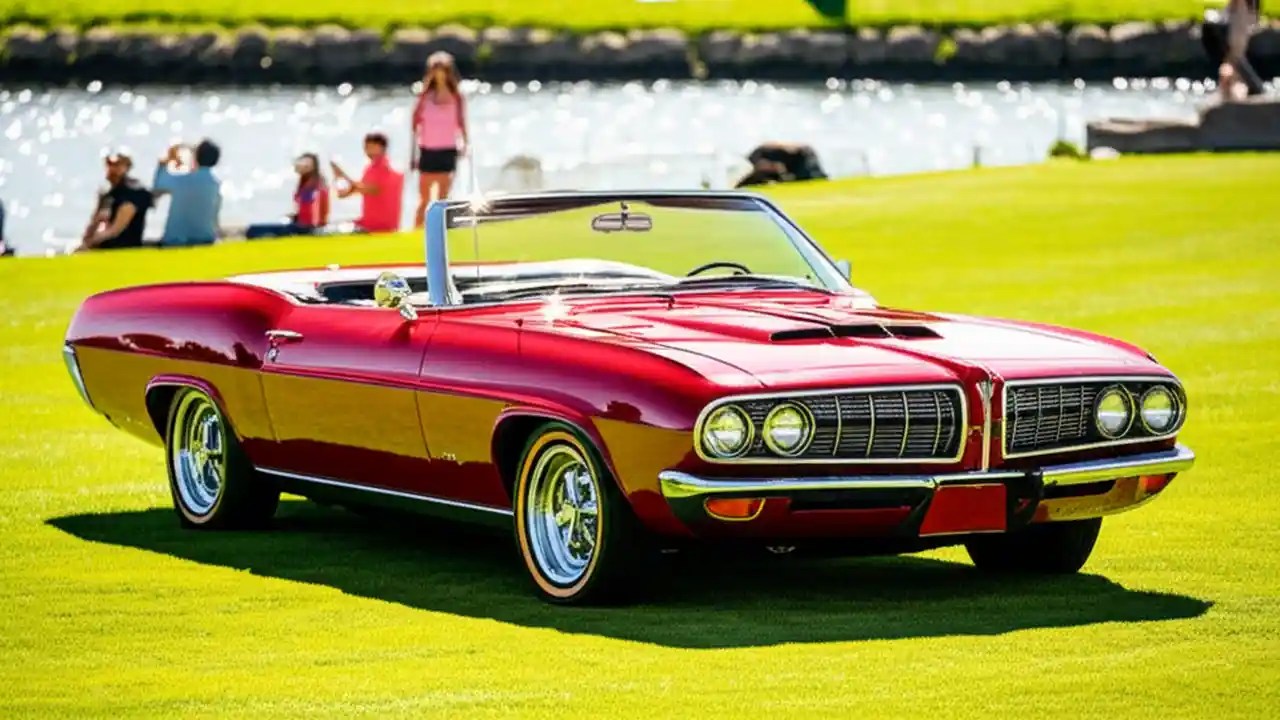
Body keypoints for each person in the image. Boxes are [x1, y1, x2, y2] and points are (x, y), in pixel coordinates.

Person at [411, 51, 469, 226]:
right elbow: (414, 126)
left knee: (443, 199)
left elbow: (462, 123)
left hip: (447, 149)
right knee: (424, 198)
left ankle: (439, 232)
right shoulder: (424, 97)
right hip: (427, 149)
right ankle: (416, 231)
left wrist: (465, 145)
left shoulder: (457, 98)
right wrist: (413, 155)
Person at [76, 152, 153, 252]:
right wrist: (86, 239)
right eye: (109, 165)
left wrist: (90, 243)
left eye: (117, 165)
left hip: (124, 245)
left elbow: (115, 230)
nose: (112, 169)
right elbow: (95, 221)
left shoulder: (133, 193)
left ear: (126, 167)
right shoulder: (107, 192)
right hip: (106, 241)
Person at [331, 132, 404, 233]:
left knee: (331, 231)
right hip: (370, 223)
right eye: (366, 147)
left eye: (371, 147)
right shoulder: (371, 169)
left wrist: (343, 176)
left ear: (382, 148)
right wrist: (339, 179)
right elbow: (354, 190)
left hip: (376, 226)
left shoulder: (383, 168)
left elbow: (372, 189)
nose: (367, 151)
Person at [153, 139, 222, 246]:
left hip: (176, 240)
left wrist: (166, 160)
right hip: (206, 238)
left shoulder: (181, 180)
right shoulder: (215, 184)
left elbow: (158, 185)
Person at [245, 153, 330, 239]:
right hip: (304, 225)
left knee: (254, 230)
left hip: (308, 228)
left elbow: (314, 210)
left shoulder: (314, 186)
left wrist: (313, 226)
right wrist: (296, 217)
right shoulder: (306, 184)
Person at [1204, 0, 1265, 100]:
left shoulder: (1245, 12)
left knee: (1233, 69)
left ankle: (1229, 96)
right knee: (1232, 69)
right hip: (1235, 49)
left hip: (1236, 48)